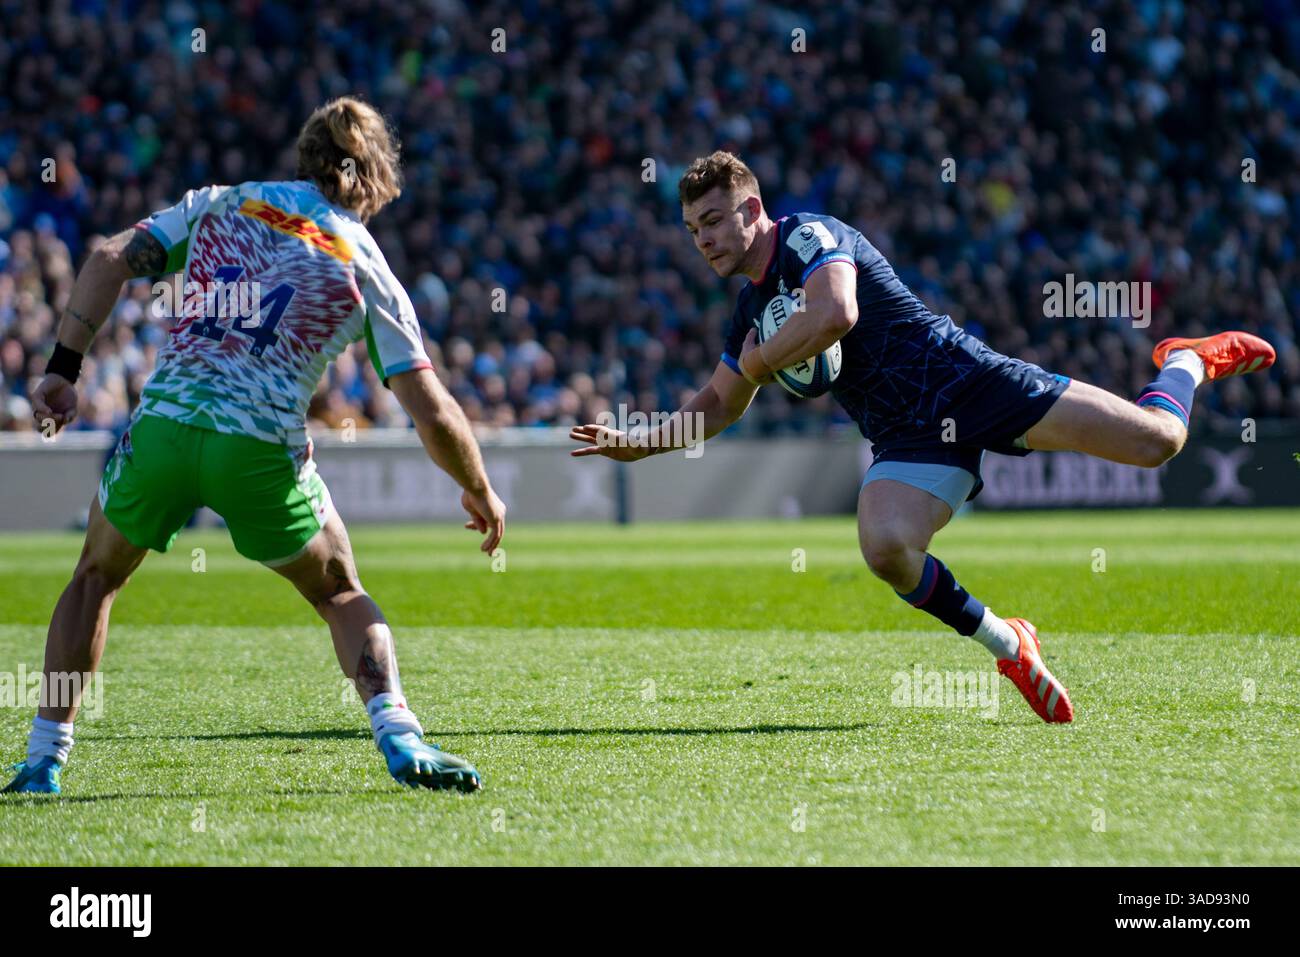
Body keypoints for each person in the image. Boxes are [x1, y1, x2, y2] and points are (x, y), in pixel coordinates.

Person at [569, 151, 1276, 724]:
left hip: (971, 383)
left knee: (1158, 442)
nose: (706, 240)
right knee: (885, 548)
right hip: (909, 435)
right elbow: (721, 404)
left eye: (716, 221)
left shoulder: (810, 236)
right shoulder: (750, 309)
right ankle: (1011, 644)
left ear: (752, 209)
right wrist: (645, 441)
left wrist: (760, 360)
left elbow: (837, 312)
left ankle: (1185, 358)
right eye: (695, 230)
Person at [5, 97, 505, 795]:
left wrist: (62, 369)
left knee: (96, 576)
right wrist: (479, 487)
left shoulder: (222, 203)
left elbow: (107, 257)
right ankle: (399, 733)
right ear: (373, 175)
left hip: (167, 430)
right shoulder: (361, 258)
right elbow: (432, 409)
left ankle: (41, 759)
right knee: (340, 591)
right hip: (259, 448)